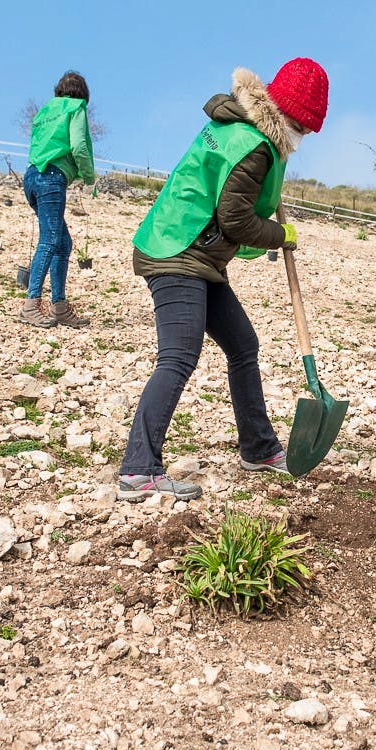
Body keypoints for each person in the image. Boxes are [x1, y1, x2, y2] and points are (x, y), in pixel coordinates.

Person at [115, 58, 329, 502]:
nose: (302, 138)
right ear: (290, 117)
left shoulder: (238, 127)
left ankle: (258, 448)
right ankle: (138, 468)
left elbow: (223, 204)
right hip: (179, 252)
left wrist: (258, 234)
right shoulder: (254, 145)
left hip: (196, 252)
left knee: (243, 346)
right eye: (303, 128)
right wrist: (279, 235)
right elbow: (235, 219)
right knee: (178, 356)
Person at [19, 70, 96, 329]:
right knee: (50, 240)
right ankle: (31, 305)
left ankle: (60, 307)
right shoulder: (76, 108)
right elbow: (79, 146)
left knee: (63, 242)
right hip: (51, 178)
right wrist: (88, 176)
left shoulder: (45, 111)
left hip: (31, 176)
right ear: (83, 93)